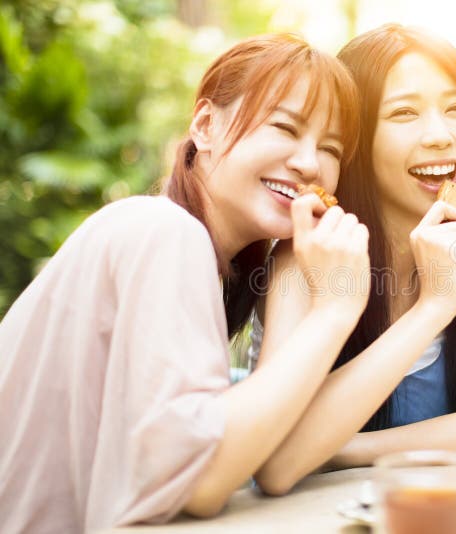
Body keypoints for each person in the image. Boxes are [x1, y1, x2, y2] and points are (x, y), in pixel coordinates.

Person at [0, 34, 369, 532]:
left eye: (330, 148)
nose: (310, 164)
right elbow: (201, 478)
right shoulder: (166, 233)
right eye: (285, 126)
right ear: (205, 125)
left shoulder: (187, 249)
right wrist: (335, 310)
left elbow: (257, 451)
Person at [250, 24, 456, 495]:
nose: (441, 136)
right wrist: (433, 307)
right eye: (404, 112)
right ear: (357, 137)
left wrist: (337, 448)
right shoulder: (305, 257)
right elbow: (278, 465)